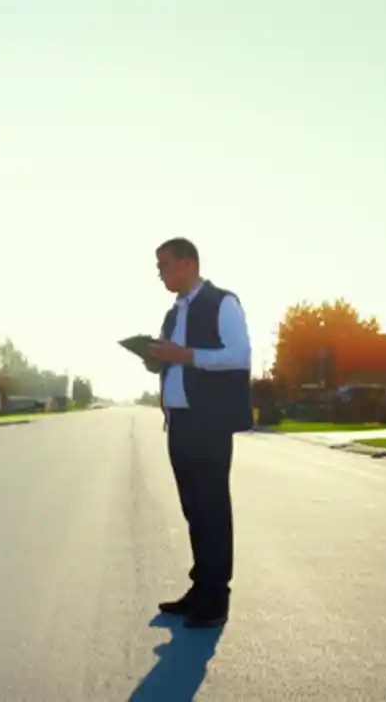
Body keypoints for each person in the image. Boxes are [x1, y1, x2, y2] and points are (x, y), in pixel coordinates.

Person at [146, 237, 252, 629]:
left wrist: (185, 355)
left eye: (164, 265)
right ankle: (200, 588)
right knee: (193, 510)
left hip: (209, 422)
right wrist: (155, 358)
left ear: (187, 263)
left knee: (212, 509)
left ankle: (216, 599)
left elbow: (239, 355)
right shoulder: (173, 313)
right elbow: (170, 362)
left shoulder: (223, 302)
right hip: (179, 421)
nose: (159, 273)